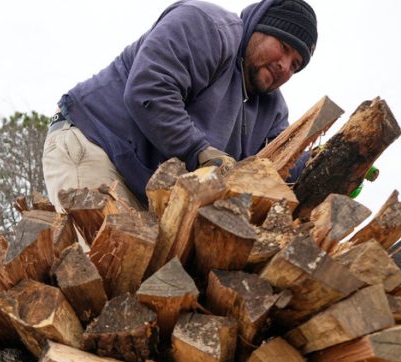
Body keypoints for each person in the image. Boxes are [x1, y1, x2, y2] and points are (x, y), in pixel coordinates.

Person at [42, 0, 318, 211]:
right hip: (96, 143)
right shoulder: (209, 28)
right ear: (259, 26)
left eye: (296, 64)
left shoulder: (272, 109)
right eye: (283, 46)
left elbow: (279, 160)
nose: (284, 66)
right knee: (99, 258)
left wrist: (336, 161)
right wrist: (198, 151)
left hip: (149, 187)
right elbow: (149, 90)